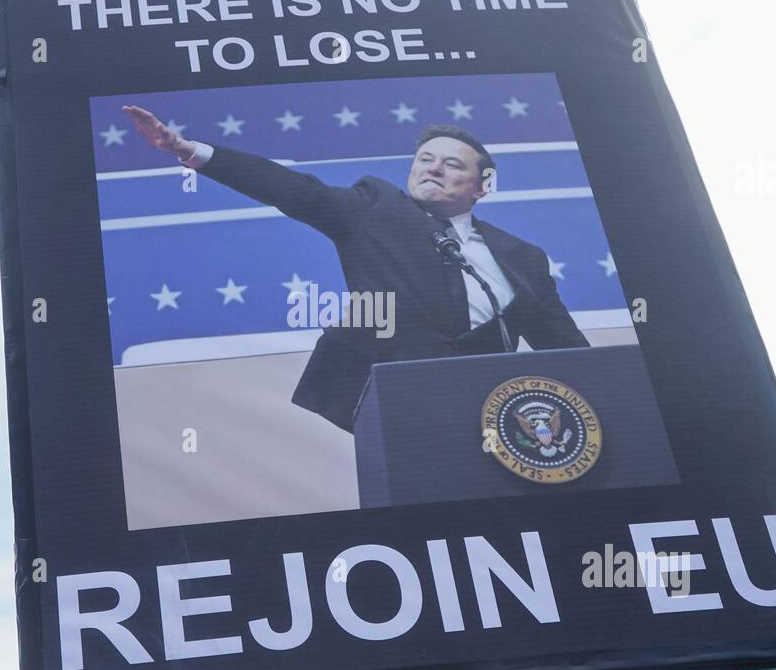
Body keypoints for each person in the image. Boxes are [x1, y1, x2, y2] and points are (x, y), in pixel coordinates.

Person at [123, 104, 588, 432]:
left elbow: (569, 351)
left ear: (481, 186)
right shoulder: (375, 208)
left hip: (496, 410)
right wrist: (191, 152)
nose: (433, 170)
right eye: (425, 160)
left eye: (451, 165)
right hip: (402, 402)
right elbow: (292, 188)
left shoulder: (523, 257)